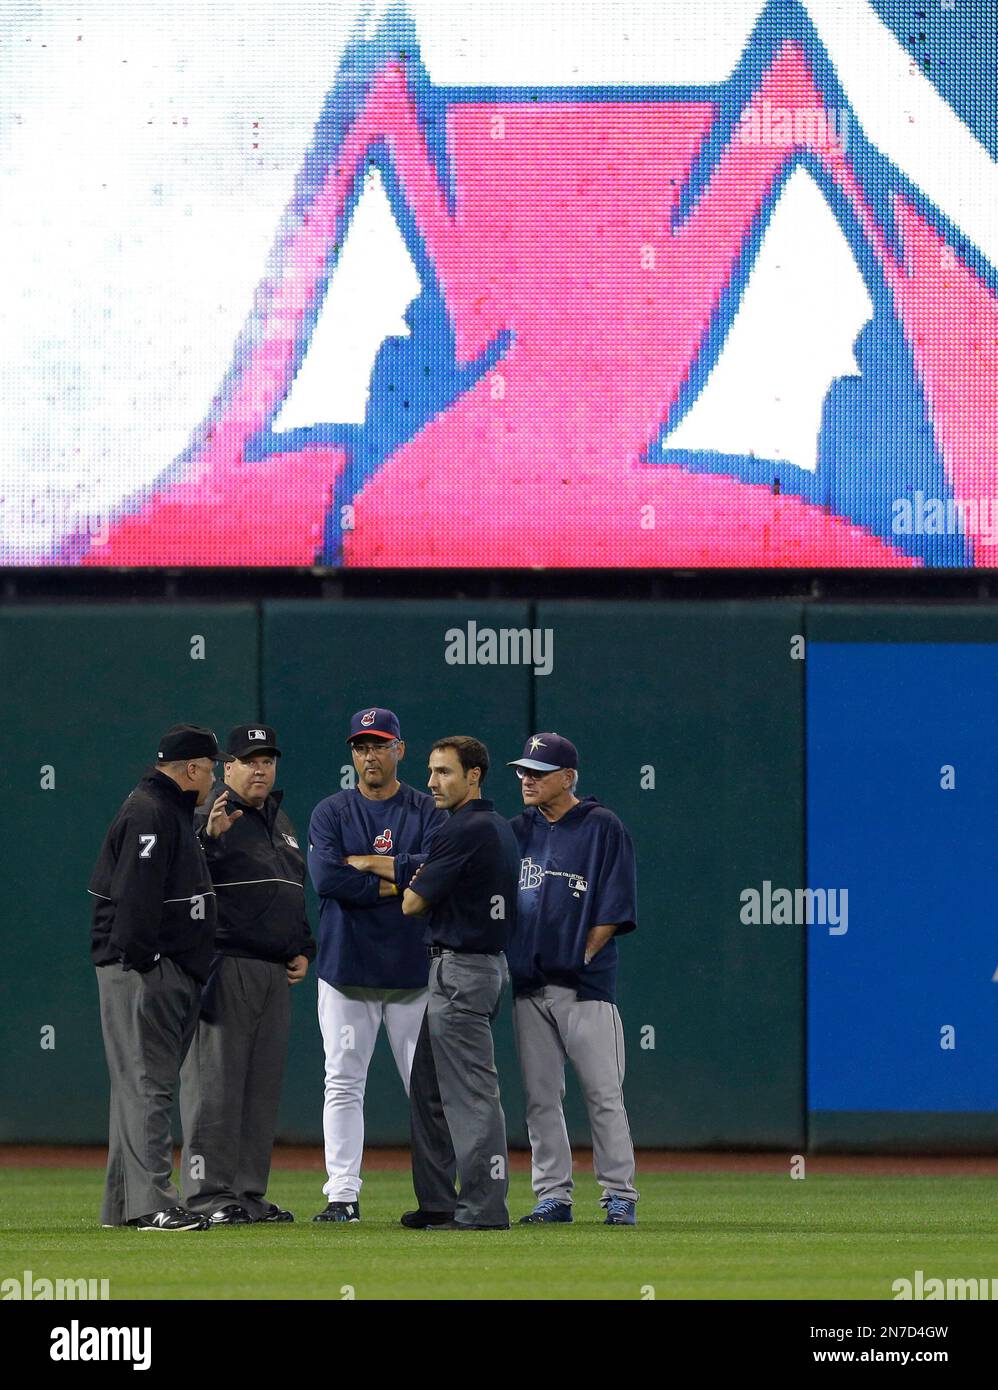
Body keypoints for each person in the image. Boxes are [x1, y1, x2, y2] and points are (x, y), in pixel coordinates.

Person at [307, 708, 446, 1222]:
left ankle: (439, 1198)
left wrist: (365, 866)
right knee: (342, 1081)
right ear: (353, 754)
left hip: (414, 971)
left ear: (400, 750)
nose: (370, 754)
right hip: (347, 972)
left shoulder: (427, 810)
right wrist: (400, 883)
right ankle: (342, 1195)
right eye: (362, 746)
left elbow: (435, 877)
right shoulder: (331, 811)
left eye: (380, 744)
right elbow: (328, 881)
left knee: (428, 1090)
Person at [179, 724, 315, 1225]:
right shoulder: (206, 816)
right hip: (226, 963)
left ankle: (247, 1193)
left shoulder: (281, 821)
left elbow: (292, 888)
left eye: (268, 759)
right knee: (216, 1086)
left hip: (274, 971)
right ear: (227, 766)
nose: (260, 768)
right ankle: (208, 1195)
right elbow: (178, 881)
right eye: (249, 759)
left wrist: (303, 946)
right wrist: (207, 838)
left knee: (260, 1088)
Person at [89, 724, 220, 1231]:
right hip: (144, 971)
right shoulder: (150, 811)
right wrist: (148, 963)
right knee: (150, 1085)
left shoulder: (167, 810)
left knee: (137, 1087)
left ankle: (124, 1204)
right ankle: (154, 1204)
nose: (212, 778)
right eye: (210, 769)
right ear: (190, 769)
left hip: (157, 967)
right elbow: (136, 900)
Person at [506, 733, 640, 1225]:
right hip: (527, 985)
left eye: (538, 773)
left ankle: (619, 1193)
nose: (527, 779)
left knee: (603, 1094)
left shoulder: (603, 827)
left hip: (584, 987)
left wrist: (578, 957)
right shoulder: (517, 829)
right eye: (524, 771)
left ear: (568, 777)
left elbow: (615, 907)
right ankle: (553, 1196)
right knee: (541, 1098)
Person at [400, 736, 519, 1232]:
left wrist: (409, 874)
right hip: (478, 967)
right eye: (430, 771)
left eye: (444, 772)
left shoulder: (463, 829)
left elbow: (411, 902)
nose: (432, 782)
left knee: (470, 1095)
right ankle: (438, 1203)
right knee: (428, 1089)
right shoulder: (498, 827)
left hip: (461, 971)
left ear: (474, 776)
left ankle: (483, 1210)